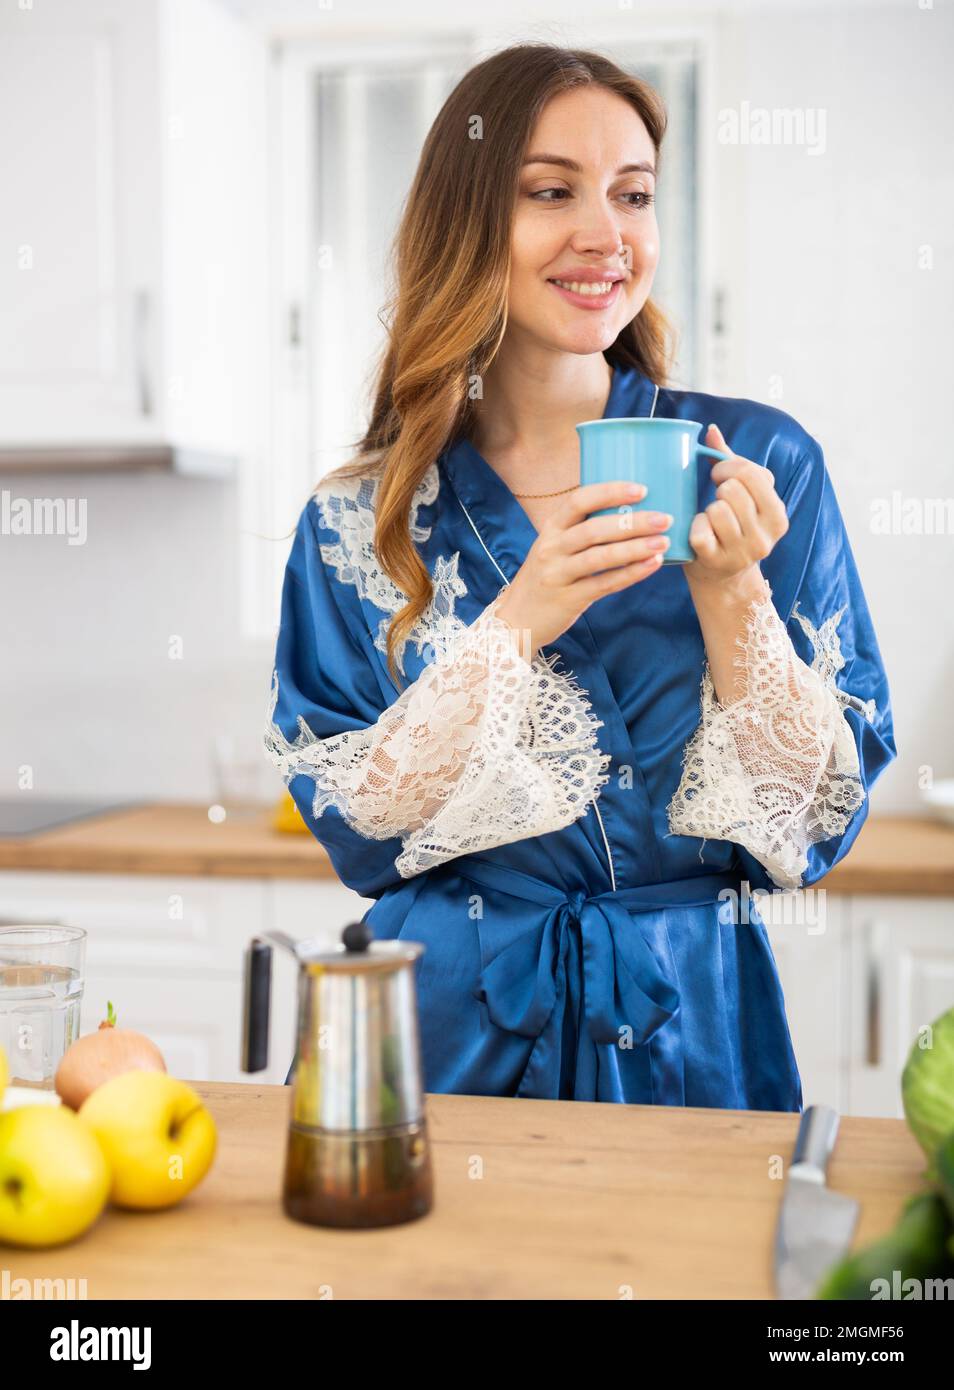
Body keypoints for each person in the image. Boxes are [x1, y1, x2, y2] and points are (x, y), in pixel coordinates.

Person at [263, 44, 896, 1107]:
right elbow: (359, 831)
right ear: (467, 222)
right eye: (551, 192)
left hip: (691, 1023)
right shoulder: (360, 518)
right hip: (446, 1031)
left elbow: (815, 825)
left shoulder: (763, 464)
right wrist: (519, 618)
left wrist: (731, 590)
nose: (605, 234)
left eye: (634, 195)